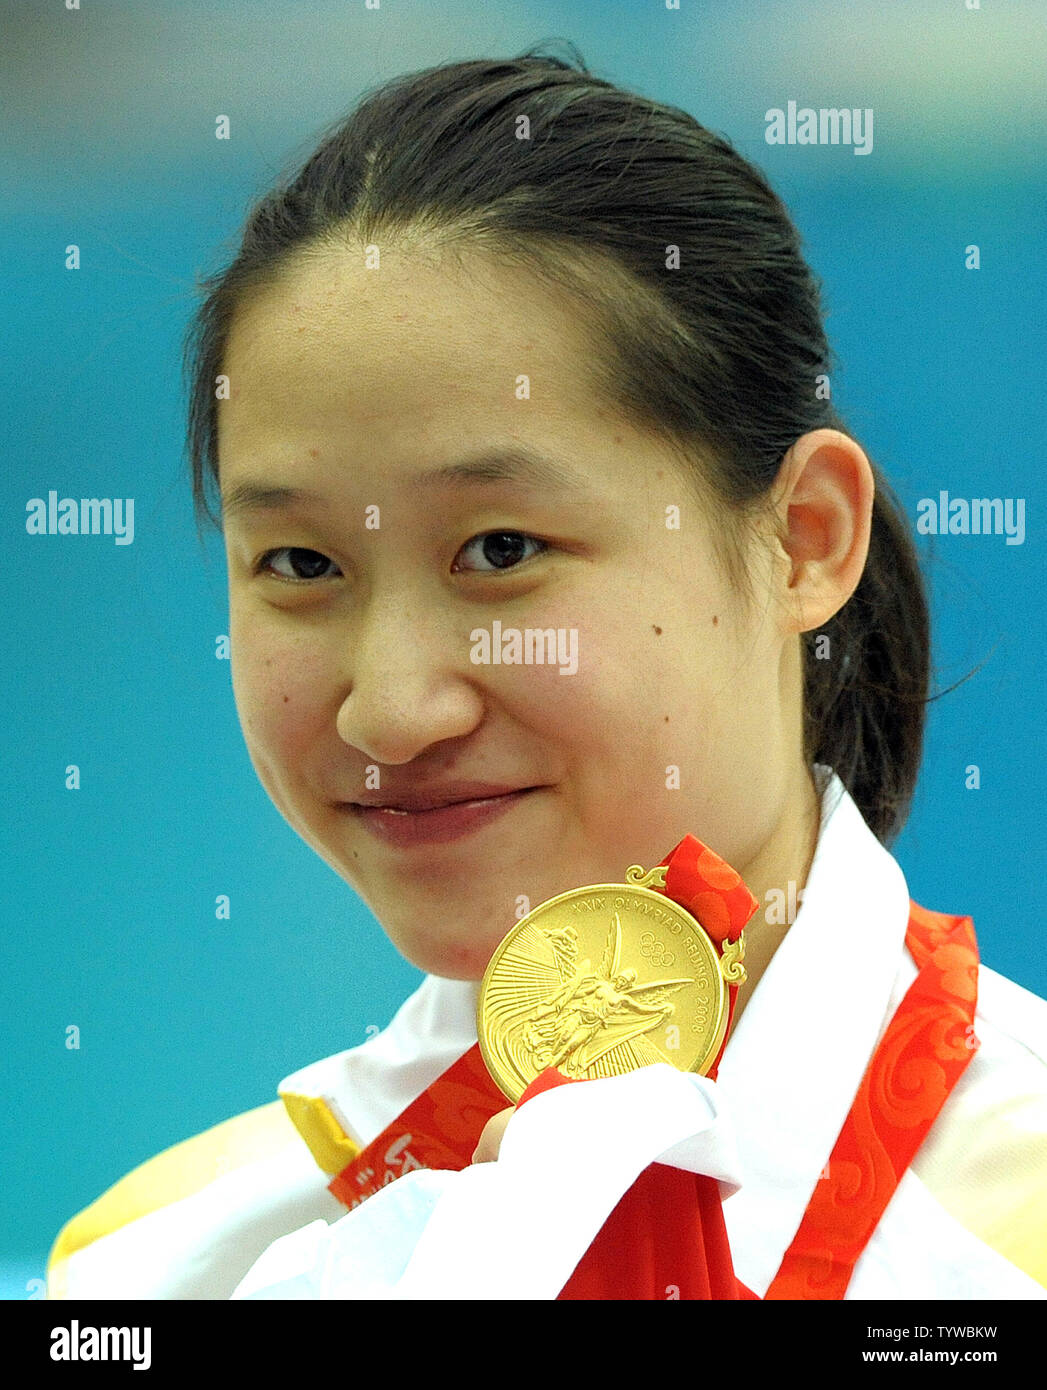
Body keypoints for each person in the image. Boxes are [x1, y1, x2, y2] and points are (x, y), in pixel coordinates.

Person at [46, 46, 1046, 1301]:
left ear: (804, 540)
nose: (391, 709)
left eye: (502, 550)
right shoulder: (154, 1260)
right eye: (299, 562)